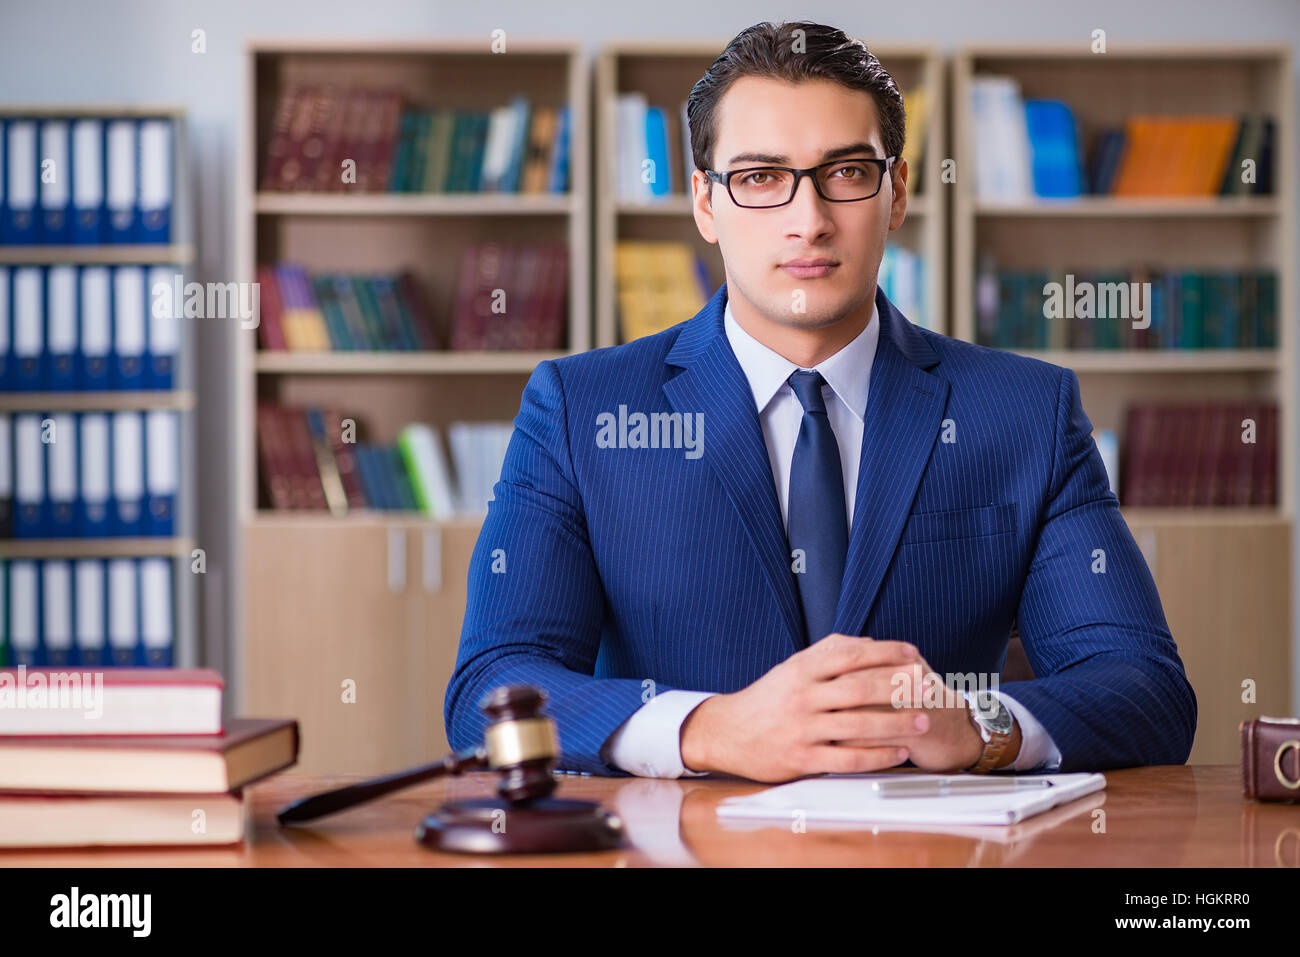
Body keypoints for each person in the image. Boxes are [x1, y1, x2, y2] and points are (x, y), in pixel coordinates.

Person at [445, 20, 1196, 782]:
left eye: (844, 172)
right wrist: (708, 729)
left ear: (897, 192)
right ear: (705, 202)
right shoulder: (579, 412)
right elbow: (489, 689)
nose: (809, 219)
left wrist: (976, 724)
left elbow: (1146, 688)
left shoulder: (1026, 412)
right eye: (762, 177)